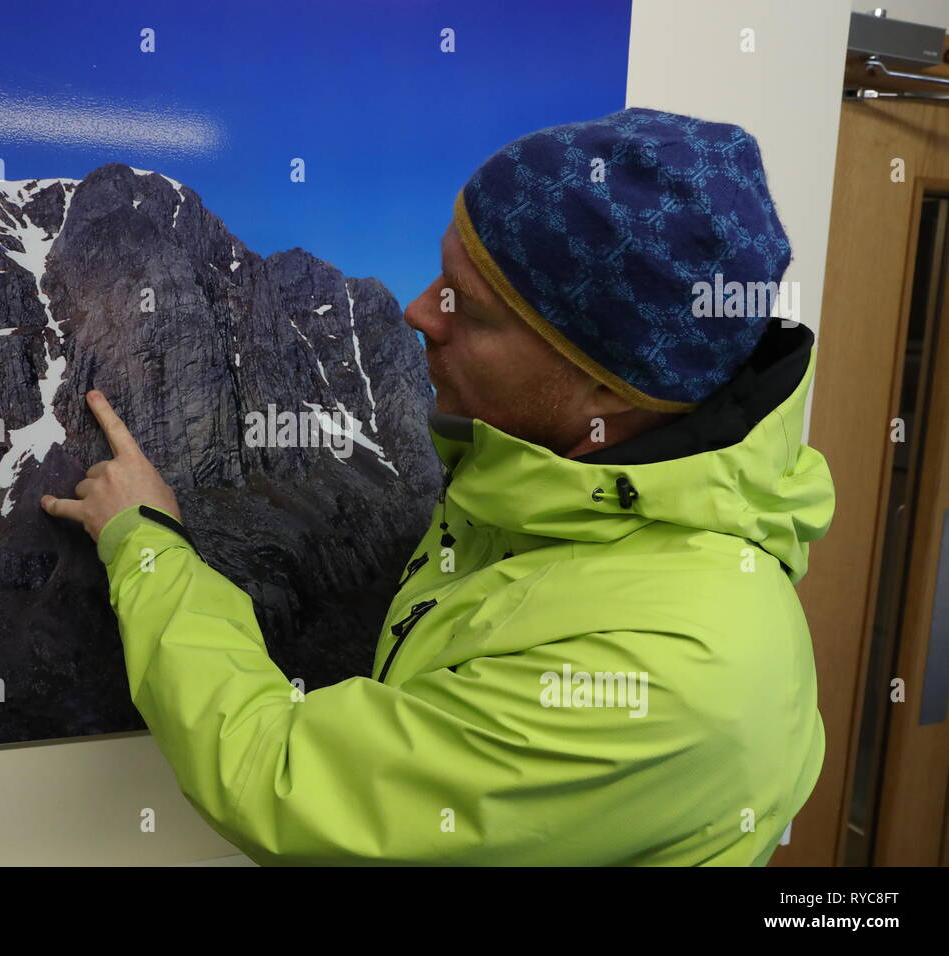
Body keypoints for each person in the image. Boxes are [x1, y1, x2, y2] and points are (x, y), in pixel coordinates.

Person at [41, 107, 836, 865]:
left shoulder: (671, 678)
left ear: (607, 389)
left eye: (474, 310)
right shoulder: (554, 489)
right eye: (443, 271)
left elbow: (280, 780)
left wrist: (147, 542)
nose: (419, 311)